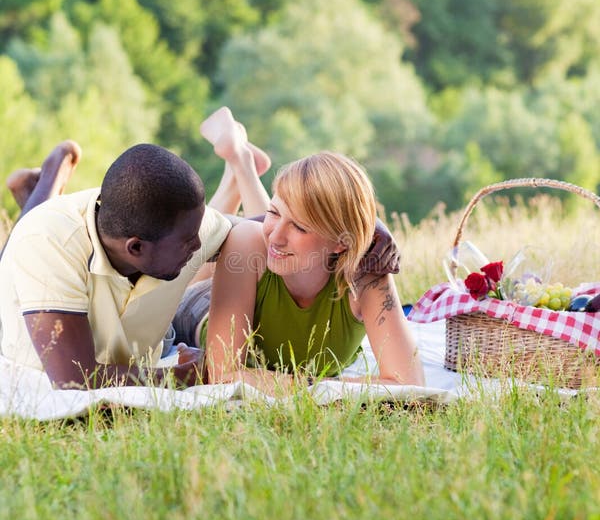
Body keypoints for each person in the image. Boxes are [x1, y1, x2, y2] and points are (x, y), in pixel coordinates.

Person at [0, 111, 401, 391]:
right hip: (39, 251)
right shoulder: (47, 245)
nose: (202, 247)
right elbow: (74, 379)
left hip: (107, 259)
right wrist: (177, 378)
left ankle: (42, 189)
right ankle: (44, 187)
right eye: (188, 243)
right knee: (24, 243)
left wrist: (367, 229)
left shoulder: (192, 234)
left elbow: (257, 228)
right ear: (136, 248)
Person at [174, 127, 424, 393]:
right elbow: (223, 375)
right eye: (273, 212)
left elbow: (409, 383)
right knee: (227, 240)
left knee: (269, 242)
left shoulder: (365, 271)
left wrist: (289, 383)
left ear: (341, 242)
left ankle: (241, 165)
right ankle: (240, 166)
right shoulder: (249, 241)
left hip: (271, 272)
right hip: (201, 305)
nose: (276, 236)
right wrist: (323, 387)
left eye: (301, 227)